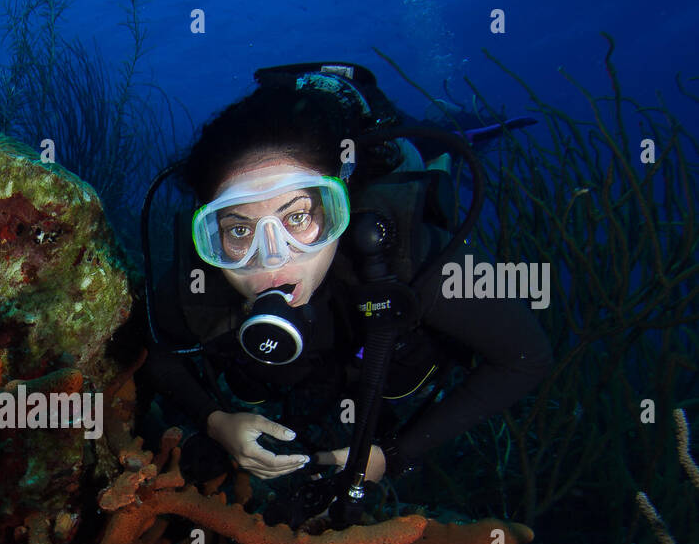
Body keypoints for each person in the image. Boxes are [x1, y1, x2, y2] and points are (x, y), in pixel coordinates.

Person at [138, 64, 553, 518]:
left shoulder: (411, 257)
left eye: (298, 217)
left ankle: (444, 144)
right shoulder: (202, 276)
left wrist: (392, 455)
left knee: (431, 158)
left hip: (400, 185)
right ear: (211, 233)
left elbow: (524, 357)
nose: (273, 257)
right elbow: (154, 349)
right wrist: (215, 421)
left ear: (343, 202)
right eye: (239, 229)